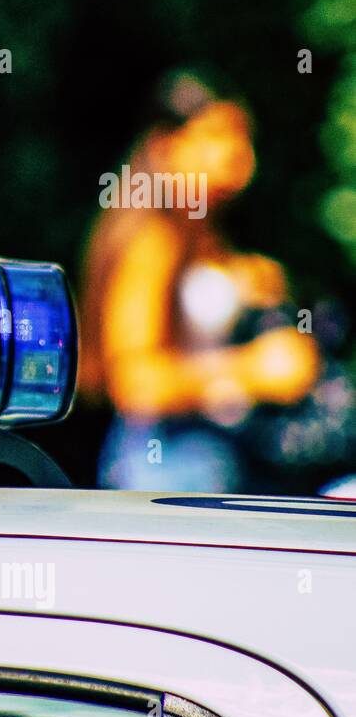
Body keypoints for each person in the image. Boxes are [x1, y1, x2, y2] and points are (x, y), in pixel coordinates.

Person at [79, 77, 323, 492]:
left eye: (242, 137)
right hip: (167, 459)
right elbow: (135, 381)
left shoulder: (202, 234)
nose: (237, 154)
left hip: (209, 455)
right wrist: (255, 370)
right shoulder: (154, 238)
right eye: (215, 135)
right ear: (165, 146)